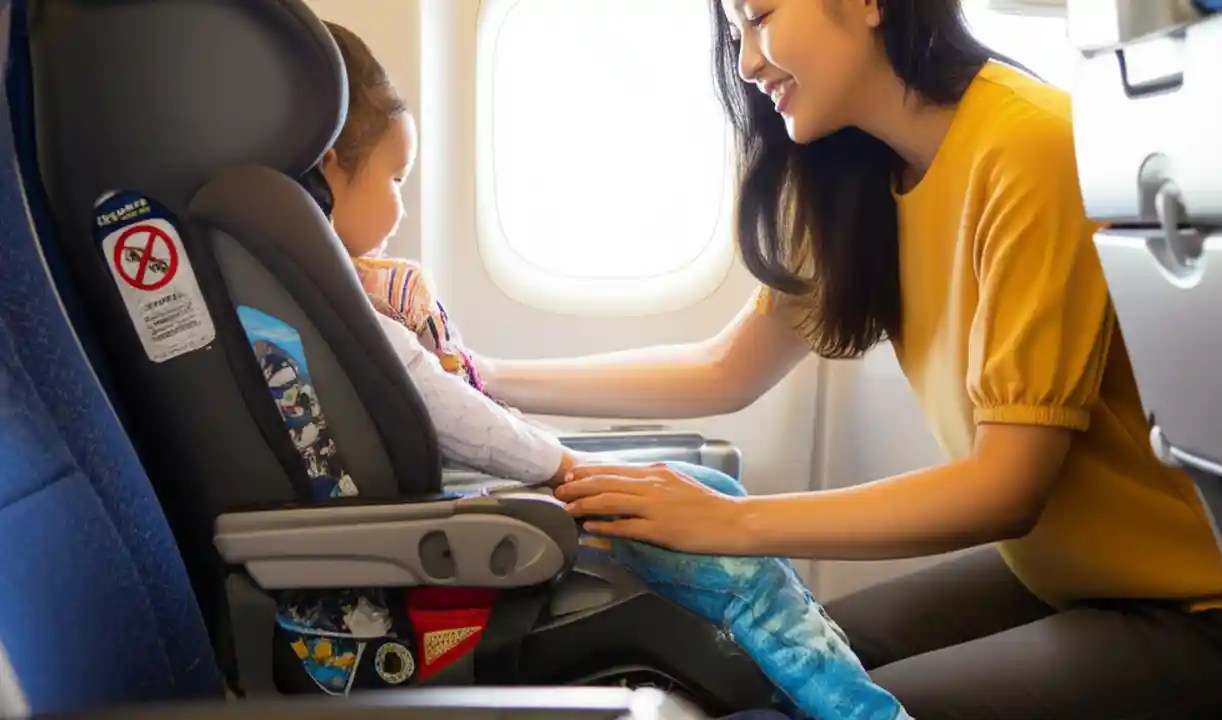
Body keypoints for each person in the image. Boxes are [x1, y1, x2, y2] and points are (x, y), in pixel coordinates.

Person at [472, 1, 1222, 718]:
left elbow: (1004, 488)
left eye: (760, 16)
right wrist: (486, 380)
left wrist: (731, 522)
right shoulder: (868, 173)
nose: (745, 61)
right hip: (1057, 578)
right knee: (747, 673)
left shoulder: (1028, 148)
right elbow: (726, 370)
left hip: (1197, 610)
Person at [285, 22, 907, 719]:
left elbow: (720, 370)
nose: (403, 204)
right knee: (738, 566)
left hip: (483, 498)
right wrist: (561, 465)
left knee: (717, 491)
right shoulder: (343, 302)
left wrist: (506, 399)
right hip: (476, 519)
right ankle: (861, 712)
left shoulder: (311, 285)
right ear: (334, 165)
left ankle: (803, 690)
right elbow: (441, 409)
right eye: (395, 179)